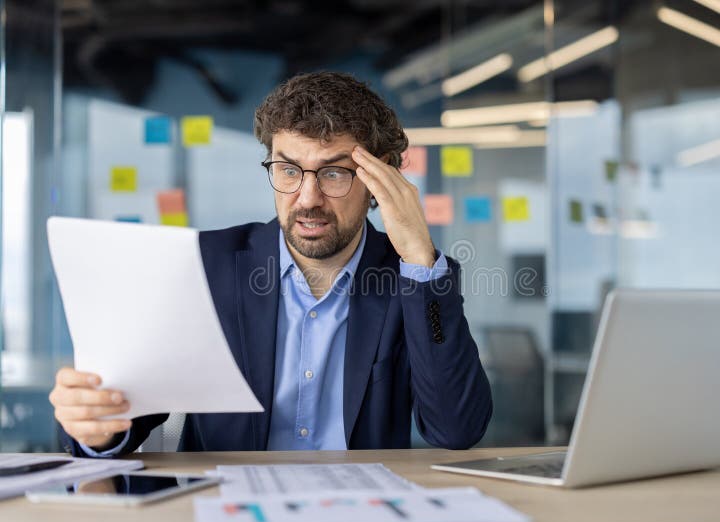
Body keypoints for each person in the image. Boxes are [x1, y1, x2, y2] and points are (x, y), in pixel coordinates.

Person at [49, 72, 492, 456]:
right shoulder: (206, 266)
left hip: (363, 511)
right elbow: (129, 415)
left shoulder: (411, 278)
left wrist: (418, 255)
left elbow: (456, 429)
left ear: (382, 180)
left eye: (335, 172)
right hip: (226, 506)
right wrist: (96, 426)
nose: (307, 198)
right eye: (288, 170)